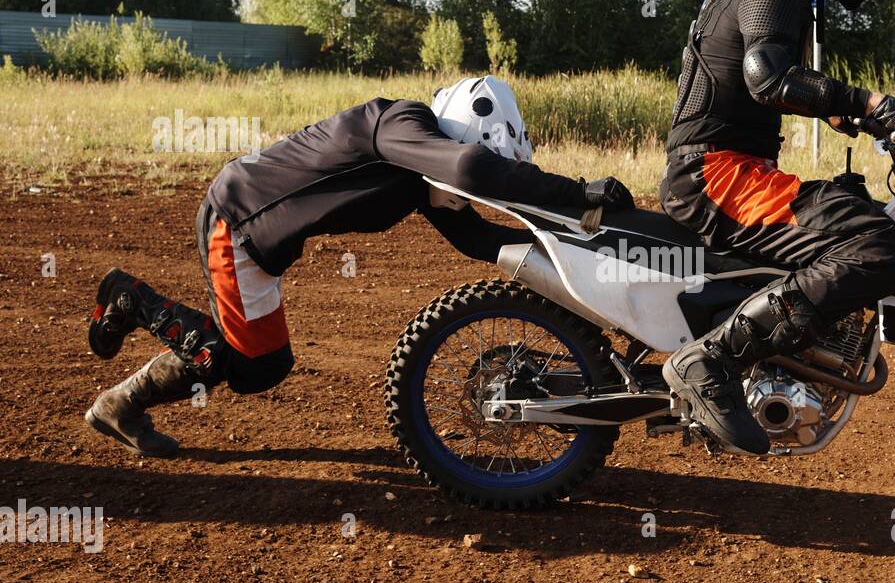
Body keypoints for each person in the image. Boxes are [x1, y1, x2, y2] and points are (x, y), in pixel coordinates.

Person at [85, 76, 634, 457]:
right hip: (239, 222)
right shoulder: (399, 123)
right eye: (487, 154)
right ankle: (132, 311)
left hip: (262, 237)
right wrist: (577, 193)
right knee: (242, 363)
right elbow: (469, 168)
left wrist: (576, 249)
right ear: (466, 133)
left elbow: (478, 237)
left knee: (257, 365)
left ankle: (117, 402)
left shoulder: (419, 174)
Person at [659, 0, 895, 454]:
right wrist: (866, 100)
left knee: (845, 212)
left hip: (721, 167)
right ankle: (712, 362)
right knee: (875, 244)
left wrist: (835, 107)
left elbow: (765, 75)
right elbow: (764, 75)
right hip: (714, 174)